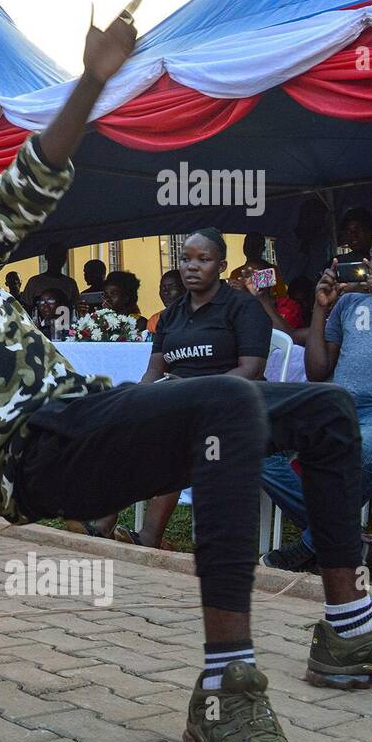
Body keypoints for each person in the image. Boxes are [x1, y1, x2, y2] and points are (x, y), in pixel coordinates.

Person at [0, 0, 372, 742]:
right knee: (223, 402)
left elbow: (29, 178)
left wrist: (90, 82)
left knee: (327, 409)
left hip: (86, 416)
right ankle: (226, 694)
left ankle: (349, 629)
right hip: (26, 462)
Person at [260, 227, 372, 573]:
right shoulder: (350, 301)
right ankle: (340, 537)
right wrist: (320, 308)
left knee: (360, 448)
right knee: (256, 441)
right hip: (337, 404)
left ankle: (313, 544)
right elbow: (317, 370)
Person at [124, 230, 270, 548]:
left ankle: (148, 538)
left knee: (178, 436)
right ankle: (100, 528)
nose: (192, 266)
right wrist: (134, 399)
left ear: (221, 265)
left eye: (203, 260)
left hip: (230, 402)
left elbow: (251, 369)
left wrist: (195, 391)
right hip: (178, 402)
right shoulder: (171, 315)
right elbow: (154, 369)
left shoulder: (243, 308)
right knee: (122, 425)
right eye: (186, 258)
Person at [20, 241, 79, 313]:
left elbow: (76, 308)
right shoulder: (34, 282)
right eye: (55, 255)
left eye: (62, 256)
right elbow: (26, 308)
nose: (59, 259)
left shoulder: (70, 283)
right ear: (46, 256)